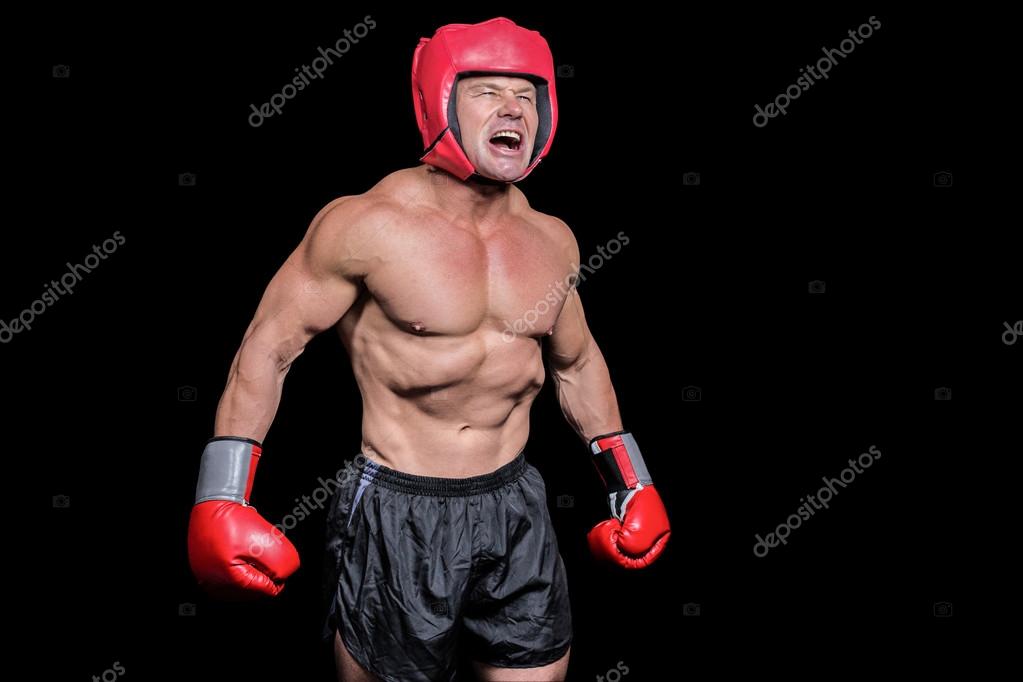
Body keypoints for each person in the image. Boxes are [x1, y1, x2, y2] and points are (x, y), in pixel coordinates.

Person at [187, 17, 670, 682]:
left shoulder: (549, 238)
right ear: (440, 102)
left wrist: (630, 482)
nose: (511, 110)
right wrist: (221, 499)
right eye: (487, 92)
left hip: (516, 504)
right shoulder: (365, 224)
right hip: (397, 511)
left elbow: (576, 361)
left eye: (526, 95)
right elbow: (267, 349)